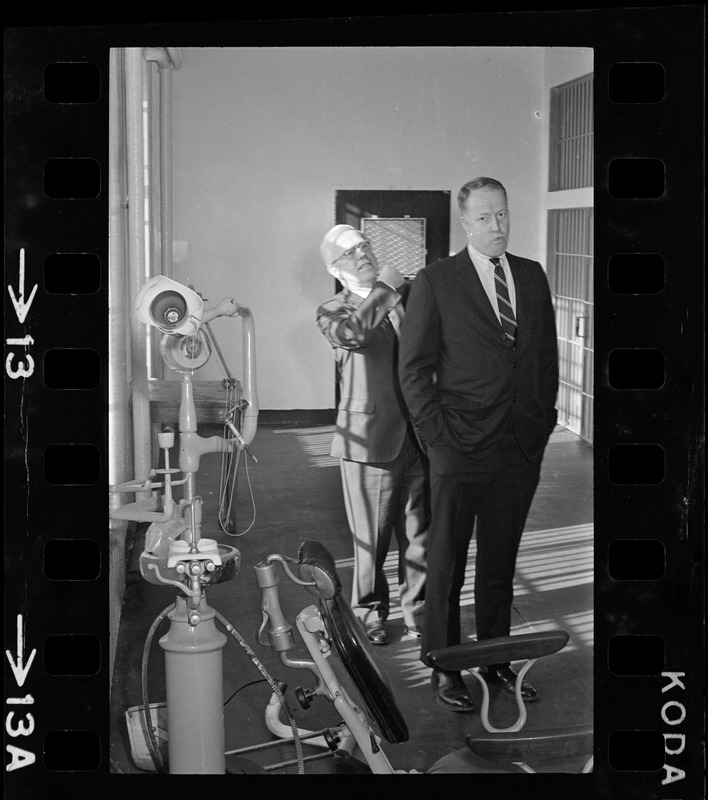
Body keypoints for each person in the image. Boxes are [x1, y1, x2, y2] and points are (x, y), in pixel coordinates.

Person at [398, 177, 559, 712]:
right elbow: (415, 371)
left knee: (499, 563)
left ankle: (496, 661)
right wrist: (436, 443)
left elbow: (544, 361)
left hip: (518, 447)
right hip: (457, 448)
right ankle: (444, 664)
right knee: (445, 564)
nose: (498, 226)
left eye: (504, 215)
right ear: (465, 222)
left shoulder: (532, 278)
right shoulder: (437, 281)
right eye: (486, 217)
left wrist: (542, 422)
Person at [316, 224, 429, 645]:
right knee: (372, 538)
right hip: (369, 440)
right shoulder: (332, 310)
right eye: (350, 252)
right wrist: (385, 287)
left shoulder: (407, 299)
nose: (362, 253)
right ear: (335, 267)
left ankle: (419, 613)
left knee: (420, 535)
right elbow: (356, 335)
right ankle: (370, 612)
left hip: (419, 436)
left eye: (364, 245)